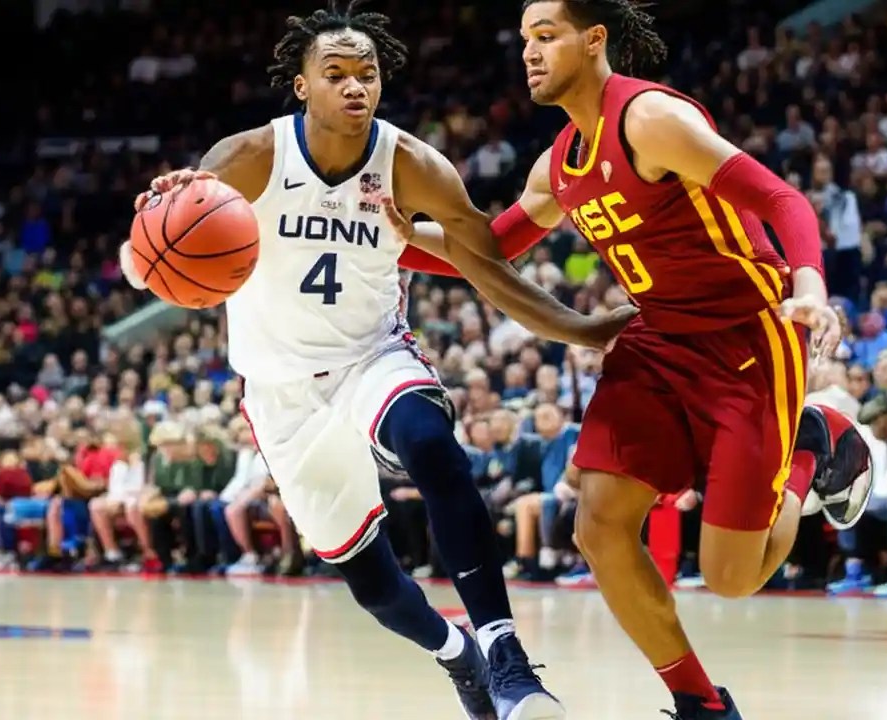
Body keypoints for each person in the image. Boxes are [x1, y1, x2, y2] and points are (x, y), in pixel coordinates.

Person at [120, 3, 634, 717]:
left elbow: (492, 271)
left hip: (372, 358)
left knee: (433, 447)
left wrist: (583, 330)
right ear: (302, 86)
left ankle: (506, 652)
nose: (355, 86)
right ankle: (460, 656)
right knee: (372, 584)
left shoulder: (415, 166)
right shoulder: (249, 158)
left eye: (368, 74)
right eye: (336, 74)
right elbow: (158, 253)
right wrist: (150, 232)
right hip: (281, 392)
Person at [394, 2, 873, 717]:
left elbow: (782, 199)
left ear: (595, 40)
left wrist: (809, 285)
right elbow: (488, 251)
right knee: (599, 523)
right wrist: (386, 238)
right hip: (655, 341)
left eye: (546, 36)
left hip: (746, 338)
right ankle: (701, 703)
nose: (529, 52)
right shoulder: (556, 164)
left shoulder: (650, 120)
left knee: (731, 577)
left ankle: (816, 444)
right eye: (524, 39)